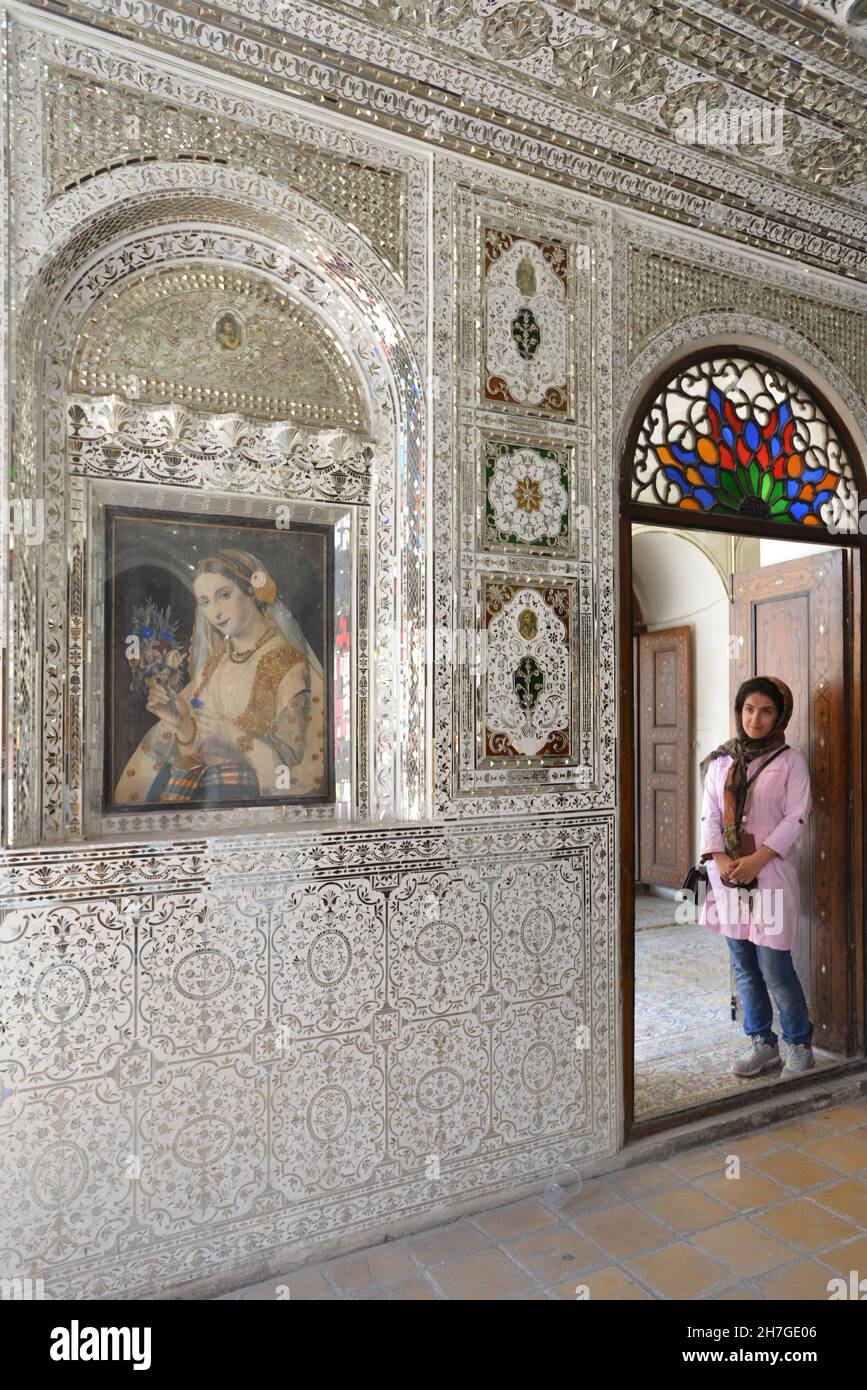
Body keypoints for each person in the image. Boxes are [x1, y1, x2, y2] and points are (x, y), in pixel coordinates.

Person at [115, 549, 326, 805]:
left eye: (224, 595)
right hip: (203, 802)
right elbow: (192, 753)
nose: (215, 612)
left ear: (252, 591)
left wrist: (231, 734)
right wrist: (182, 726)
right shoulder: (211, 669)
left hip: (249, 808)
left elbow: (299, 778)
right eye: (205, 602)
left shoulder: (289, 666)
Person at [697, 675, 813, 1080]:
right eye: (749, 709)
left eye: (766, 711)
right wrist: (719, 857)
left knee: (775, 967)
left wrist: (758, 859)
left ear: (779, 714)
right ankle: (762, 1044)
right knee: (744, 966)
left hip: (770, 876)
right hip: (728, 877)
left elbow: (795, 817)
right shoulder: (721, 761)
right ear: (739, 711)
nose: (756, 719)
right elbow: (711, 814)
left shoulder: (789, 761)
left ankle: (799, 1044)